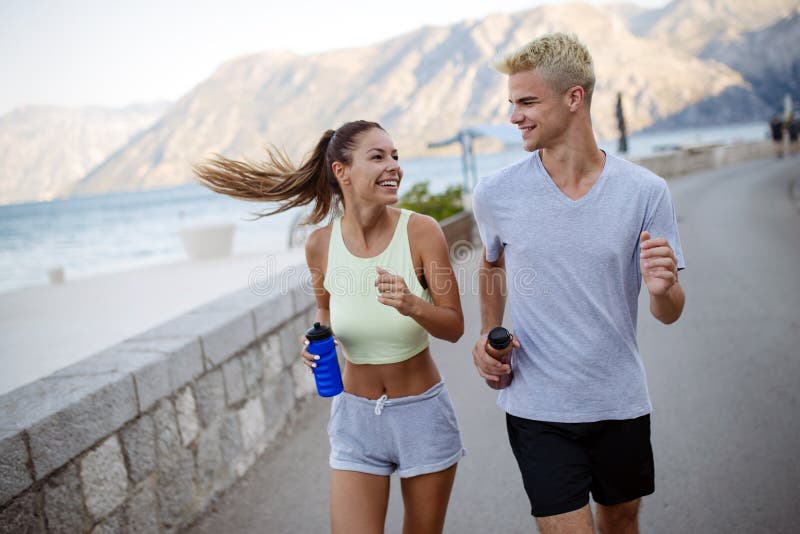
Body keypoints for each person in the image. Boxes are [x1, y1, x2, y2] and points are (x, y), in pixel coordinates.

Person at [193, 120, 466, 534]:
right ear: (342, 172)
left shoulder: (422, 232)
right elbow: (325, 311)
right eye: (377, 156)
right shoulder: (320, 245)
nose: (393, 165)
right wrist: (316, 338)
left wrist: (412, 304)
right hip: (355, 419)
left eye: (395, 155)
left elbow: (454, 326)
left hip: (421, 414)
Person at [470, 34, 686, 534]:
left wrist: (662, 288)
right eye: (511, 103)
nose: (514, 116)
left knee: (621, 522)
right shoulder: (496, 193)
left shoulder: (646, 193)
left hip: (619, 400)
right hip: (536, 406)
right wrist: (488, 333)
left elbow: (671, 310)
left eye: (527, 102)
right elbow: (492, 264)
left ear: (574, 98)